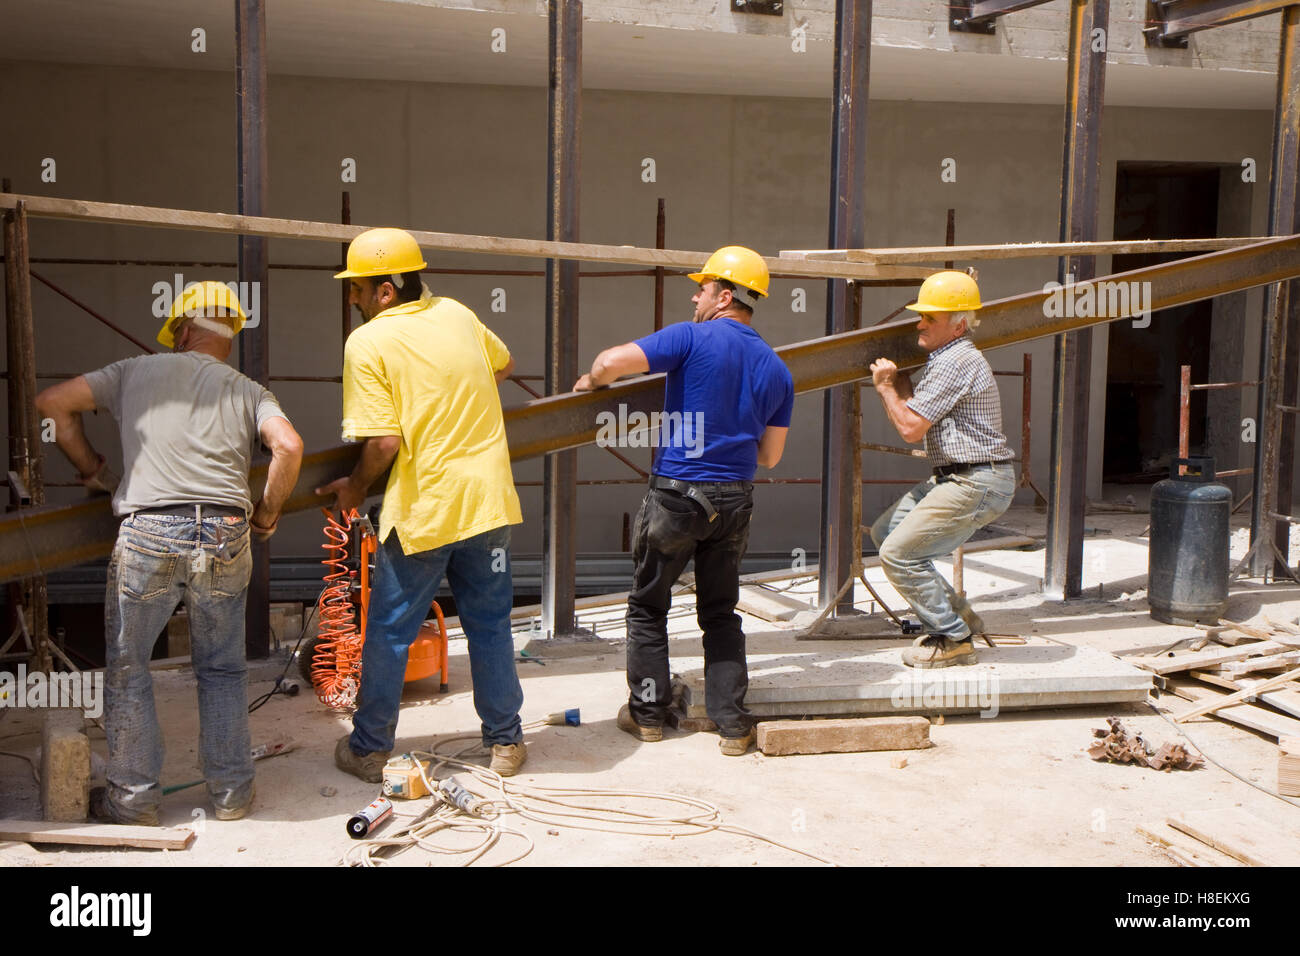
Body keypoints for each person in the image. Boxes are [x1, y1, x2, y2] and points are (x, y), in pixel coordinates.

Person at [35, 280, 303, 824]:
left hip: (150, 530)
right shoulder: (251, 391)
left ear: (180, 330)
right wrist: (267, 514)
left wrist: (92, 469)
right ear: (229, 336)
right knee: (224, 671)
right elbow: (289, 447)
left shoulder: (133, 371)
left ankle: (133, 803)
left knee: (130, 669)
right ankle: (231, 795)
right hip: (227, 532)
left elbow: (53, 404)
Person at [317, 227, 527, 781]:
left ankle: (367, 749)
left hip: (425, 511)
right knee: (490, 626)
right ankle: (506, 744)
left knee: (388, 631)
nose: (352, 299)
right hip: (487, 503)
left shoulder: (368, 343)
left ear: (386, 291)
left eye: (358, 289)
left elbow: (383, 442)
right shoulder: (457, 314)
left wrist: (354, 489)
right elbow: (502, 364)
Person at [574, 245, 793, 756]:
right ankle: (733, 726)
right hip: (735, 500)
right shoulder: (777, 368)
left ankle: (649, 717)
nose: (695, 296)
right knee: (720, 613)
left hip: (677, 494)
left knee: (648, 606)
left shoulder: (689, 337)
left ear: (724, 294)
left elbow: (610, 362)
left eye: (702, 288)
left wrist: (592, 381)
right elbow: (771, 457)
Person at [868, 270, 1016, 668]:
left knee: (899, 554)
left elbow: (911, 428)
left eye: (929, 318)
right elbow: (919, 408)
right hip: (960, 476)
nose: (920, 324)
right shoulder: (946, 359)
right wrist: (900, 384)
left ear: (959, 324)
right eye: (922, 316)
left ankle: (953, 638)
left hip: (976, 479)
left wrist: (885, 387)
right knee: (887, 533)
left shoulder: (956, 361)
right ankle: (960, 618)